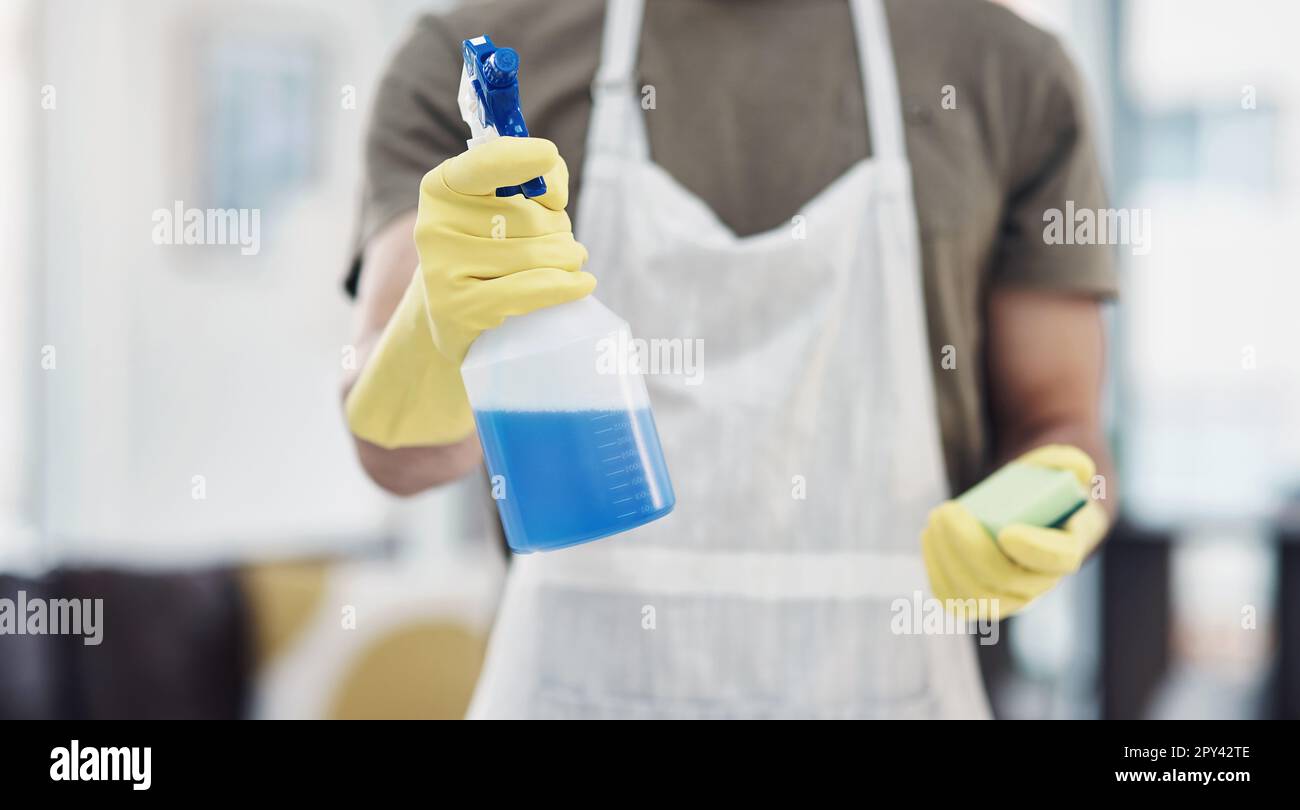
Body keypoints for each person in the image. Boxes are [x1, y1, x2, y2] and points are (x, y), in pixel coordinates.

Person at [341, 0, 1118, 719]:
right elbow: (398, 457)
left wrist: (1054, 498)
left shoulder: (1008, 71)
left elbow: (1066, 431)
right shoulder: (473, 59)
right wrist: (434, 335)